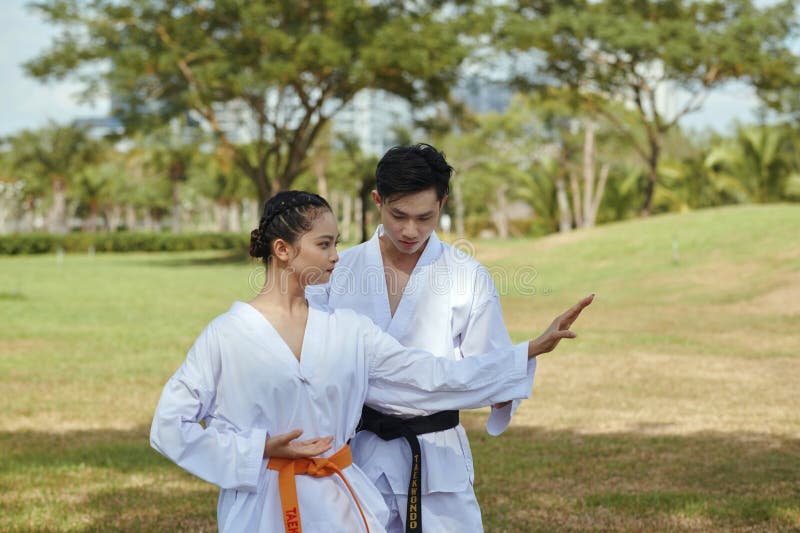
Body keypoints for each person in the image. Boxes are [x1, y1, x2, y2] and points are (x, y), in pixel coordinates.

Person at [150, 191, 593, 533]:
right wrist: (256, 450)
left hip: (338, 502)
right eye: (323, 245)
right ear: (282, 250)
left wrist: (527, 351)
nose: (336, 256)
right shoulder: (226, 336)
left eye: (336, 243)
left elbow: (430, 377)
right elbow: (170, 425)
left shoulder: (348, 331)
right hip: (259, 505)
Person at [307, 143, 583, 532]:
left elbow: (490, 377)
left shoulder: (466, 276)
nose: (409, 230)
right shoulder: (340, 270)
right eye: (397, 215)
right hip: (357, 454)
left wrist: (516, 364)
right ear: (377, 200)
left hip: (435, 456)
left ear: (443, 203)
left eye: (425, 217)